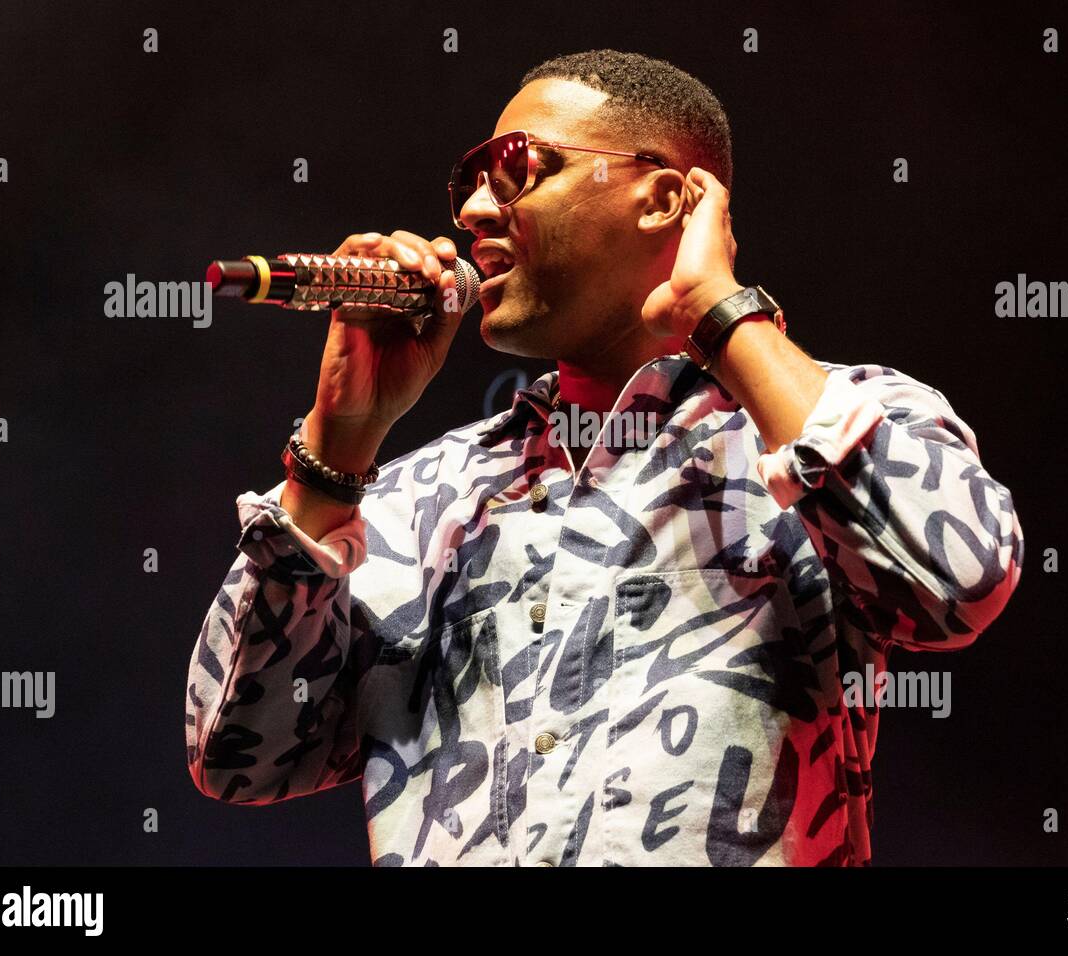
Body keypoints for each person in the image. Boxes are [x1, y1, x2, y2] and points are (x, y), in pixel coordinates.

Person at [185, 49, 1024, 866]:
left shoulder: (825, 420)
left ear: (662, 198)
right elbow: (237, 759)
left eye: (517, 168)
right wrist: (336, 450)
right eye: (469, 183)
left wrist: (719, 311)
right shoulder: (420, 499)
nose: (474, 210)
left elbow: (960, 583)